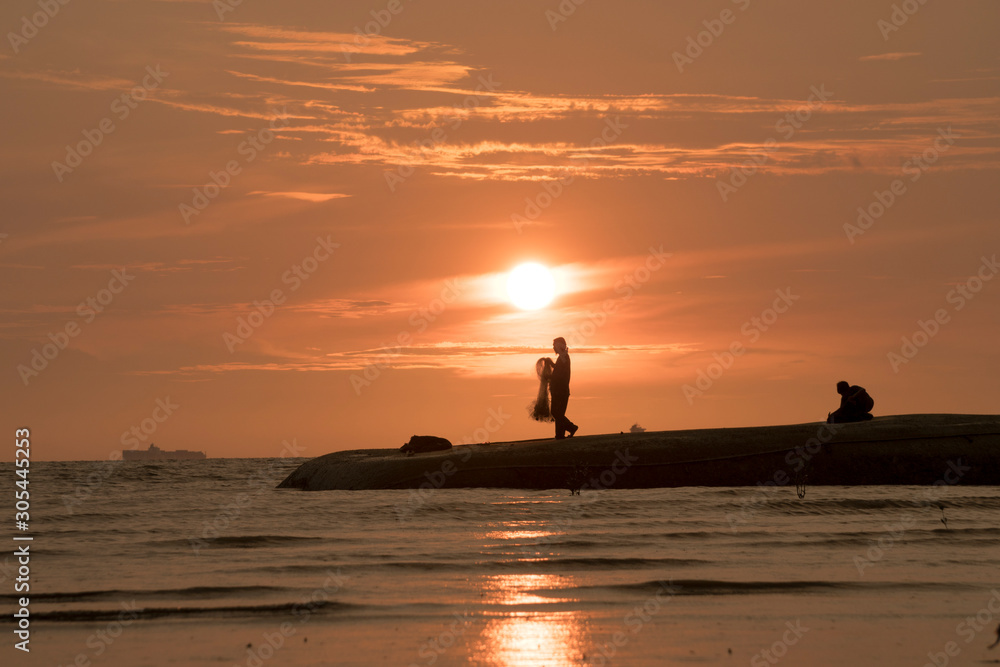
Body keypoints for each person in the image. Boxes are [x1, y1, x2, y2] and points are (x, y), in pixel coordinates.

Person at [549, 337, 579, 439]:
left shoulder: (564, 357)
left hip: (561, 391)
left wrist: (551, 376)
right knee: (558, 413)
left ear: (559, 345)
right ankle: (560, 434)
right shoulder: (562, 357)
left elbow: (561, 374)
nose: (553, 348)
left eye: (554, 345)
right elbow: (559, 370)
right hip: (559, 390)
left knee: (557, 413)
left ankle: (571, 428)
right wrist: (551, 364)